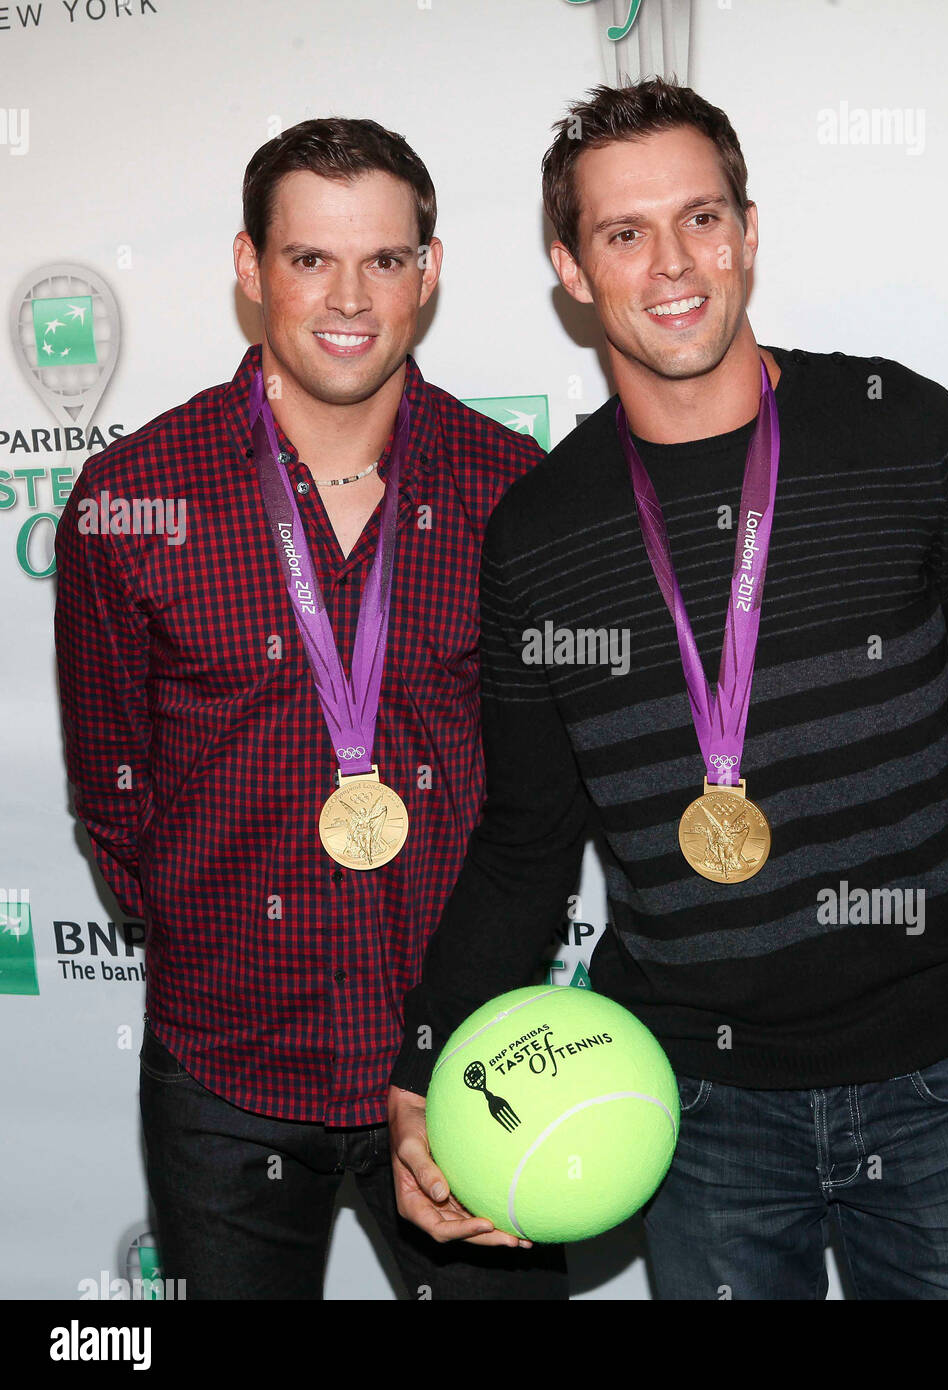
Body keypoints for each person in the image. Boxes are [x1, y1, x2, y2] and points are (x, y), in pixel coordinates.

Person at [387, 81, 948, 1298]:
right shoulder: (536, 531)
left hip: (933, 1072)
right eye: (623, 234)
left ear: (746, 230)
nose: (671, 264)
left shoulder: (903, 433)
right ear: (571, 270)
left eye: (700, 219)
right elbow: (525, 840)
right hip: (686, 1105)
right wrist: (423, 1059)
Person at [54, 117, 566, 1300]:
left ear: (427, 273)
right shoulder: (132, 498)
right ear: (249, 267)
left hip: (469, 1071)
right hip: (226, 1079)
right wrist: (214, 924)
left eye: (385, 259)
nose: (349, 296)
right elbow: (113, 794)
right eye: (308, 259)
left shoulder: (517, 491)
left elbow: (543, 799)